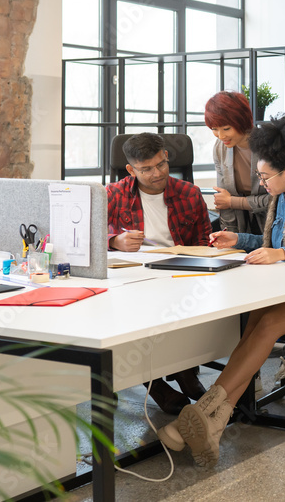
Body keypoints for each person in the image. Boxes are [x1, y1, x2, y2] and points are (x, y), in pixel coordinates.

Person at [157, 113, 285, 468]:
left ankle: (203, 411)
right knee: (253, 322)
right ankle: (215, 424)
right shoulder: (281, 195)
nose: (260, 182)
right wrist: (239, 240)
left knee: (265, 326)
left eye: (265, 176)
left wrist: (282, 254)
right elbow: (273, 241)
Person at [106, 132, 212, 414]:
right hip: (130, 279)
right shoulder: (113, 195)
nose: (157, 174)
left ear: (166, 157)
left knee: (184, 309)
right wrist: (114, 241)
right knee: (130, 322)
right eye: (146, 169)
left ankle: (185, 372)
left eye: (160, 165)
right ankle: (156, 386)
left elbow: (204, 242)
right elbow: (80, 237)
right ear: (131, 169)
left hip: (178, 276)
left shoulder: (189, 193)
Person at [205, 90, 270, 234]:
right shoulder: (219, 147)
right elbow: (224, 199)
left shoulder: (269, 145)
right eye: (214, 129)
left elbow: (279, 199)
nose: (221, 136)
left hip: (275, 224)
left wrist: (233, 202)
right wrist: (230, 236)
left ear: (242, 121)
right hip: (242, 224)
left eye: (226, 128)